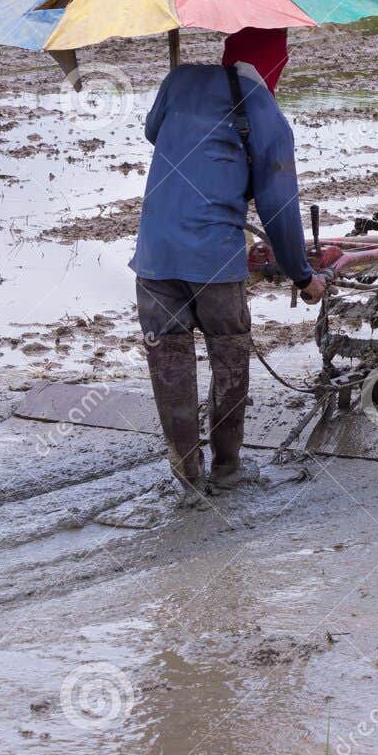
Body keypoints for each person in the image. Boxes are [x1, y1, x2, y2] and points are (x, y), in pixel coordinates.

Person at [130, 27, 327, 501]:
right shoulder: (267, 116)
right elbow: (279, 210)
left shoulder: (178, 80)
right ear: (274, 65)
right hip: (214, 261)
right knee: (229, 357)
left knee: (169, 366)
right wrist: (304, 277)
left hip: (155, 259)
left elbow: (153, 131)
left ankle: (187, 480)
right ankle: (227, 468)